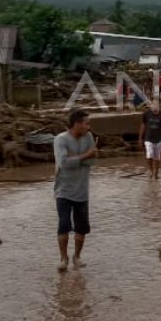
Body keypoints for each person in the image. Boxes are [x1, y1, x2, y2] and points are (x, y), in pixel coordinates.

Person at [53, 109, 98, 272]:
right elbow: (63, 163)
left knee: (82, 227)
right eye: (86, 123)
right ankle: (63, 258)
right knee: (63, 225)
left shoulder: (89, 138)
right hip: (63, 190)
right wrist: (85, 155)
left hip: (82, 190)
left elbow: (93, 161)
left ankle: (76, 256)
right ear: (77, 124)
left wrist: (77, 157)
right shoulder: (61, 140)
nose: (89, 127)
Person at [139, 100, 161, 180]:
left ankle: (156, 174)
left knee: (157, 158)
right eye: (153, 106)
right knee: (149, 155)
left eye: (156, 106)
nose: (154, 108)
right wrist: (140, 138)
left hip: (158, 139)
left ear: (158, 107)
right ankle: (151, 170)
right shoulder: (146, 114)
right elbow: (143, 125)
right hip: (148, 139)